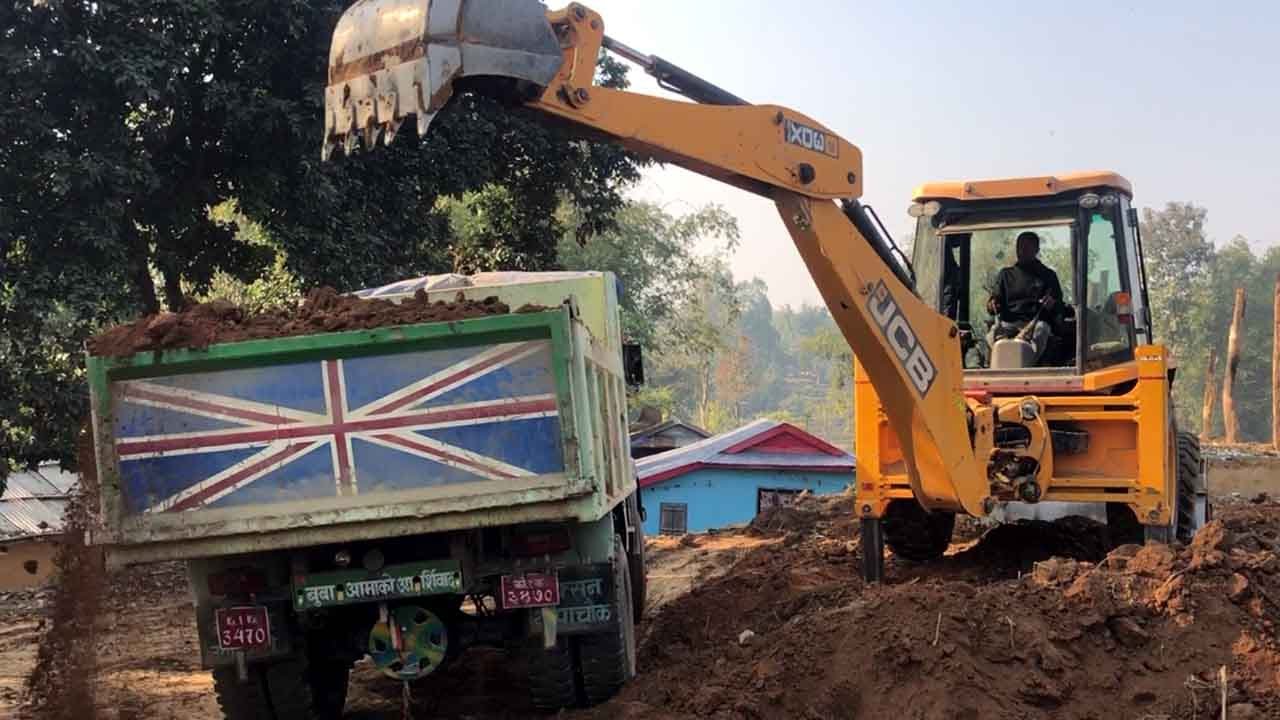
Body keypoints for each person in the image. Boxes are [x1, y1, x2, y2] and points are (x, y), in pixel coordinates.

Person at [985, 231, 1063, 363]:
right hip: (1008, 325)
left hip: (1035, 324)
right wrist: (992, 304)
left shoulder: (1048, 275)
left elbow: (1059, 306)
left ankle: (1028, 366)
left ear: (1036, 250)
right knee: (991, 335)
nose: (1021, 250)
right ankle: (999, 366)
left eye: (1026, 247)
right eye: (1019, 246)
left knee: (1041, 331)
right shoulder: (1005, 274)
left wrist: (1052, 304)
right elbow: (994, 302)